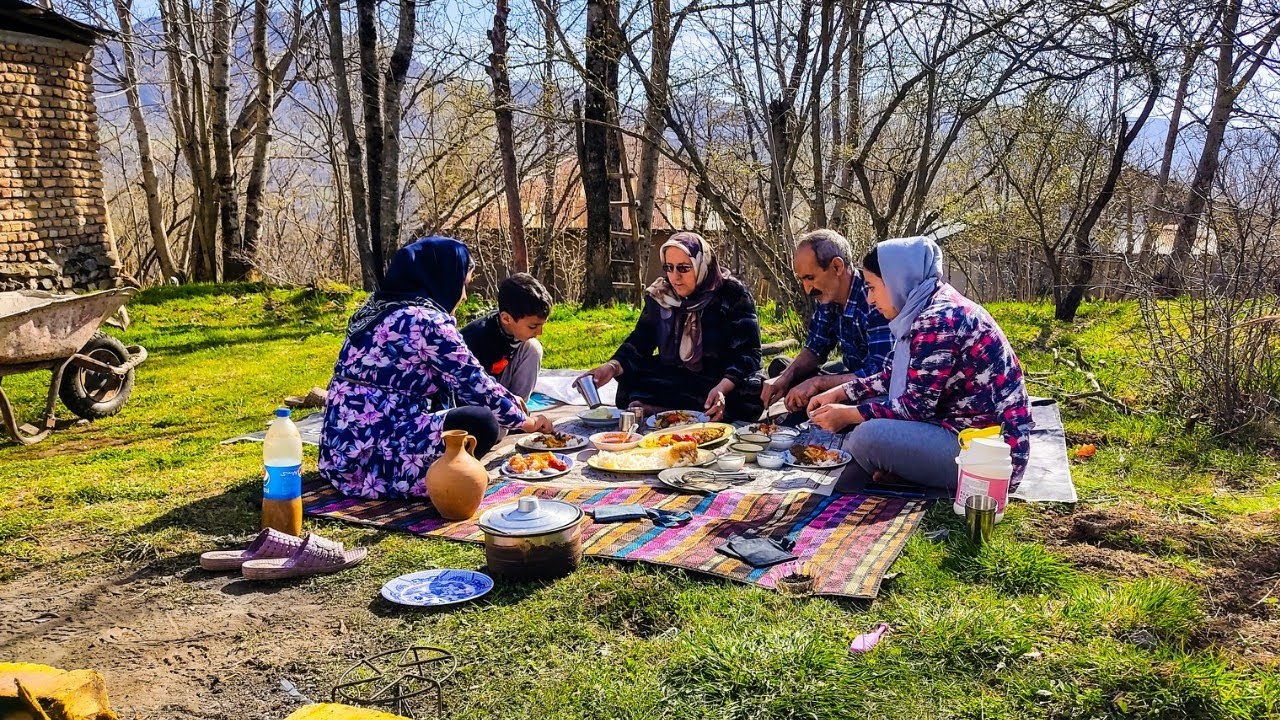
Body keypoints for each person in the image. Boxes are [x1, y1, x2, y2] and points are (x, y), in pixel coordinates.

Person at [319, 237, 554, 499]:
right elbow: (474, 382)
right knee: (481, 422)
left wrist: (510, 402)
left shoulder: (376, 309)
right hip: (374, 457)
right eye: (463, 285)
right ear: (443, 278)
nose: (464, 296)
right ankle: (445, 476)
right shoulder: (426, 321)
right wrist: (527, 422)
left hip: (339, 454)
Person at [805, 235, 1032, 491]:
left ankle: (907, 471)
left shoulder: (937, 320)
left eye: (871, 287)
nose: (869, 299)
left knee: (865, 437)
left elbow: (916, 408)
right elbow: (894, 376)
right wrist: (840, 392)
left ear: (895, 281)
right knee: (869, 408)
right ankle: (905, 471)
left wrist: (848, 414)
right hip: (963, 429)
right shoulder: (930, 305)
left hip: (986, 455)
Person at [580, 232, 764, 422]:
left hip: (721, 378)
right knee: (630, 378)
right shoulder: (662, 295)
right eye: (669, 267)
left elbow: (749, 353)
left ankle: (667, 409)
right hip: (678, 376)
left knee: (752, 391)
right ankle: (673, 411)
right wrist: (612, 367)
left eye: (683, 268)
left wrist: (722, 388)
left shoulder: (732, 294)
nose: (675, 277)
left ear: (701, 264)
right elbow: (640, 341)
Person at [761, 229, 892, 419]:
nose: (807, 290)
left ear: (837, 267)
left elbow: (881, 373)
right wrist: (785, 378)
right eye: (802, 280)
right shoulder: (828, 297)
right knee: (782, 367)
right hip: (850, 376)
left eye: (810, 278)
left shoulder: (875, 298)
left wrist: (820, 383)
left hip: (876, 389)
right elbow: (816, 347)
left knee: (866, 405)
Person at [461, 273, 553, 404]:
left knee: (533, 347)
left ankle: (518, 408)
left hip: (499, 388)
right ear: (506, 319)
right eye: (533, 326)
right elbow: (472, 385)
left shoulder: (517, 332)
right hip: (473, 395)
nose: (540, 332)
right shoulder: (479, 339)